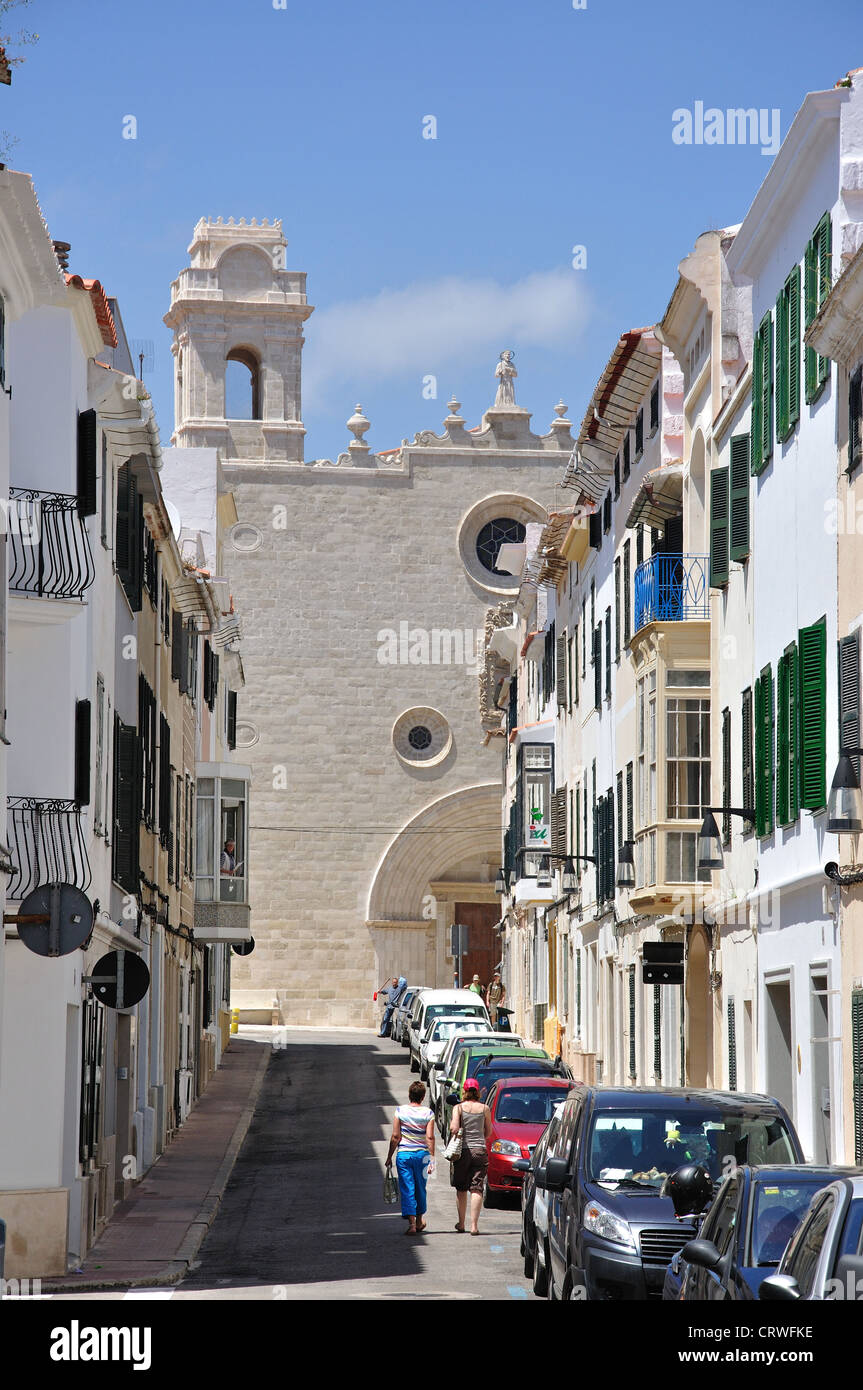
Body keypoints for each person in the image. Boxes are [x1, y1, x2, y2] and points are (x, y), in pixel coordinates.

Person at [385, 1080, 435, 1234]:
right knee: (420, 1188)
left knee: (407, 1188)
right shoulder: (428, 1113)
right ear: (423, 1096)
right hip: (422, 1156)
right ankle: (420, 1220)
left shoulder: (400, 1111)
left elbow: (395, 1136)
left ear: (409, 1095)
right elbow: (430, 1138)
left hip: (404, 1156)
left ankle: (412, 1224)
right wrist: (432, 1159)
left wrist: (389, 1157)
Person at [449, 1077, 492, 1235]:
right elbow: (489, 1132)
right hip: (479, 1150)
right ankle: (474, 1226)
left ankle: (461, 1223)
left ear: (464, 1091)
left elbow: (454, 1128)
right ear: (477, 1092)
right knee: (477, 1188)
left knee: (461, 1188)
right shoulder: (484, 1108)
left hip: (463, 1151)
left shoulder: (458, 1108)